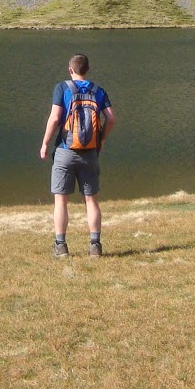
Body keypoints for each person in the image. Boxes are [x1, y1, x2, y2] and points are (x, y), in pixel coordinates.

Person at [38, 52, 116, 257]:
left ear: (70, 70)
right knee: (91, 200)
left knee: (61, 200)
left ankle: (61, 246)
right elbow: (111, 119)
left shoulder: (62, 88)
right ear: (88, 69)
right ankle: (95, 246)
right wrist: (101, 139)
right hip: (90, 152)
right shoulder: (99, 91)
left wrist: (45, 143)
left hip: (65, 150)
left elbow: (55, 118)